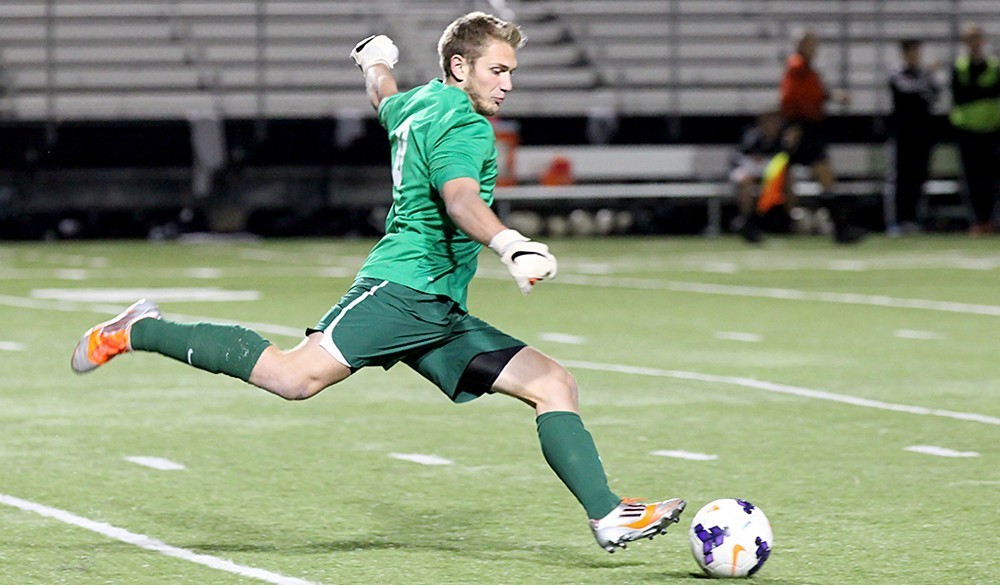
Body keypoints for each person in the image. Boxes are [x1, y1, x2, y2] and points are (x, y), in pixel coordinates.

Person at [70, 12, 685, 554]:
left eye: (511, 71)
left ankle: (608, 514)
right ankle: (139, 331)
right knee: (291, 377)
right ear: (459, 65)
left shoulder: (417, 102)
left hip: (437, 307)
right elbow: (460, 198)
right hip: (402, 289)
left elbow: (382, 97)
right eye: (498, 70)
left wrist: (377, 60)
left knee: (553, 382)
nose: (508, 83)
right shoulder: (466, 127)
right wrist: (510, 244)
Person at [779, 29, 865, 244]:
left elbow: (814, 93)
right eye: (810, 43)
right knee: (820, 175)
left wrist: (832, 96)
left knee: (819, 176)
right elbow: (797, 96)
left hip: (809, 127)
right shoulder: (798, 67)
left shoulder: (805, 68)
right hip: (802, 127)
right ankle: (836, 227)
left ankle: (837, 226)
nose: (814, 48)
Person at [950, 24, 1000, 235]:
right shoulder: (959, 66)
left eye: (976, 39)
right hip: (967, 129)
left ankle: (991, 220)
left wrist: (976, 92)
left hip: (992, 128)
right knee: (971, 179)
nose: (973, 44)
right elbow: (960, 95)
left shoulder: (994, 65)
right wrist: (983, 92)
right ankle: (977, 221)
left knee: (992, 178)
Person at [887, 38, 940, 236]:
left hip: (922, 134)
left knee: (919, 177)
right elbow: (907, 89)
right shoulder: (897, 73)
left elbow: (936, 94)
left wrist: (926, 79)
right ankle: (898, 221)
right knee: (900, 178)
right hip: (902, 134)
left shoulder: (924, 74)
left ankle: (915, 219)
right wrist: (926, 78)